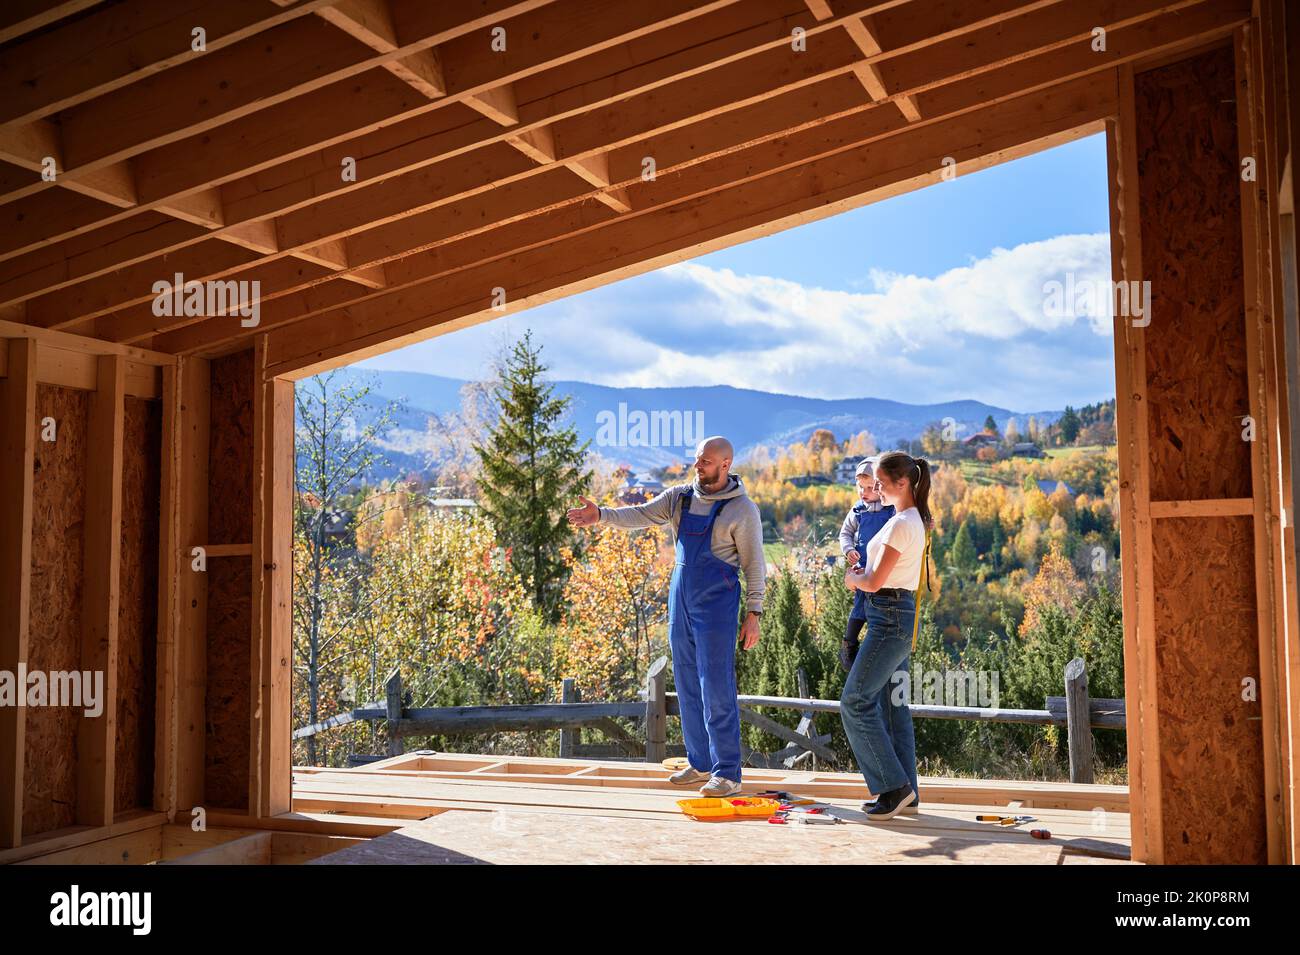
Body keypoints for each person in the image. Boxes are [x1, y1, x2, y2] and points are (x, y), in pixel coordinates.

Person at [566, 436, 765, 797]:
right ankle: (700, 762)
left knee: (716, 684)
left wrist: (754, 612)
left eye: (705, 462)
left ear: (725, 465)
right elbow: (640, 515)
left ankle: (728, 772)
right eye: (696, 460)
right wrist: (602, 516)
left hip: (717, 606)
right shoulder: (679, 497)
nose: (697, 467)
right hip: (681, 600)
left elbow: (754, 565)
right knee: (687, 680)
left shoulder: (742, 510)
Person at [840, 450, 931, 820]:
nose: (875, 488)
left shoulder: (900, 524)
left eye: (880, 482)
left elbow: (874, 582)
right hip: (897, 614)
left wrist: (854, 579)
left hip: (888, 618)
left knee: (855, 702)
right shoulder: (910, 519)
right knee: (893, 708)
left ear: (902, 483)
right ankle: (906, 791)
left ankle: (893, 789)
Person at [837, 457, 895, 673]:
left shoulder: (891, 510)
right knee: (860, 607)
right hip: (862, 568)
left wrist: (926, 523)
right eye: (861, 488)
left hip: (882, 568)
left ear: (880, 486)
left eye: (870, 488)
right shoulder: (857, 510)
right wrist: (848, 550)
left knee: (877, 610)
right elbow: (845, 534)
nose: (864, 493)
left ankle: (874, 651)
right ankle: (848, 644)